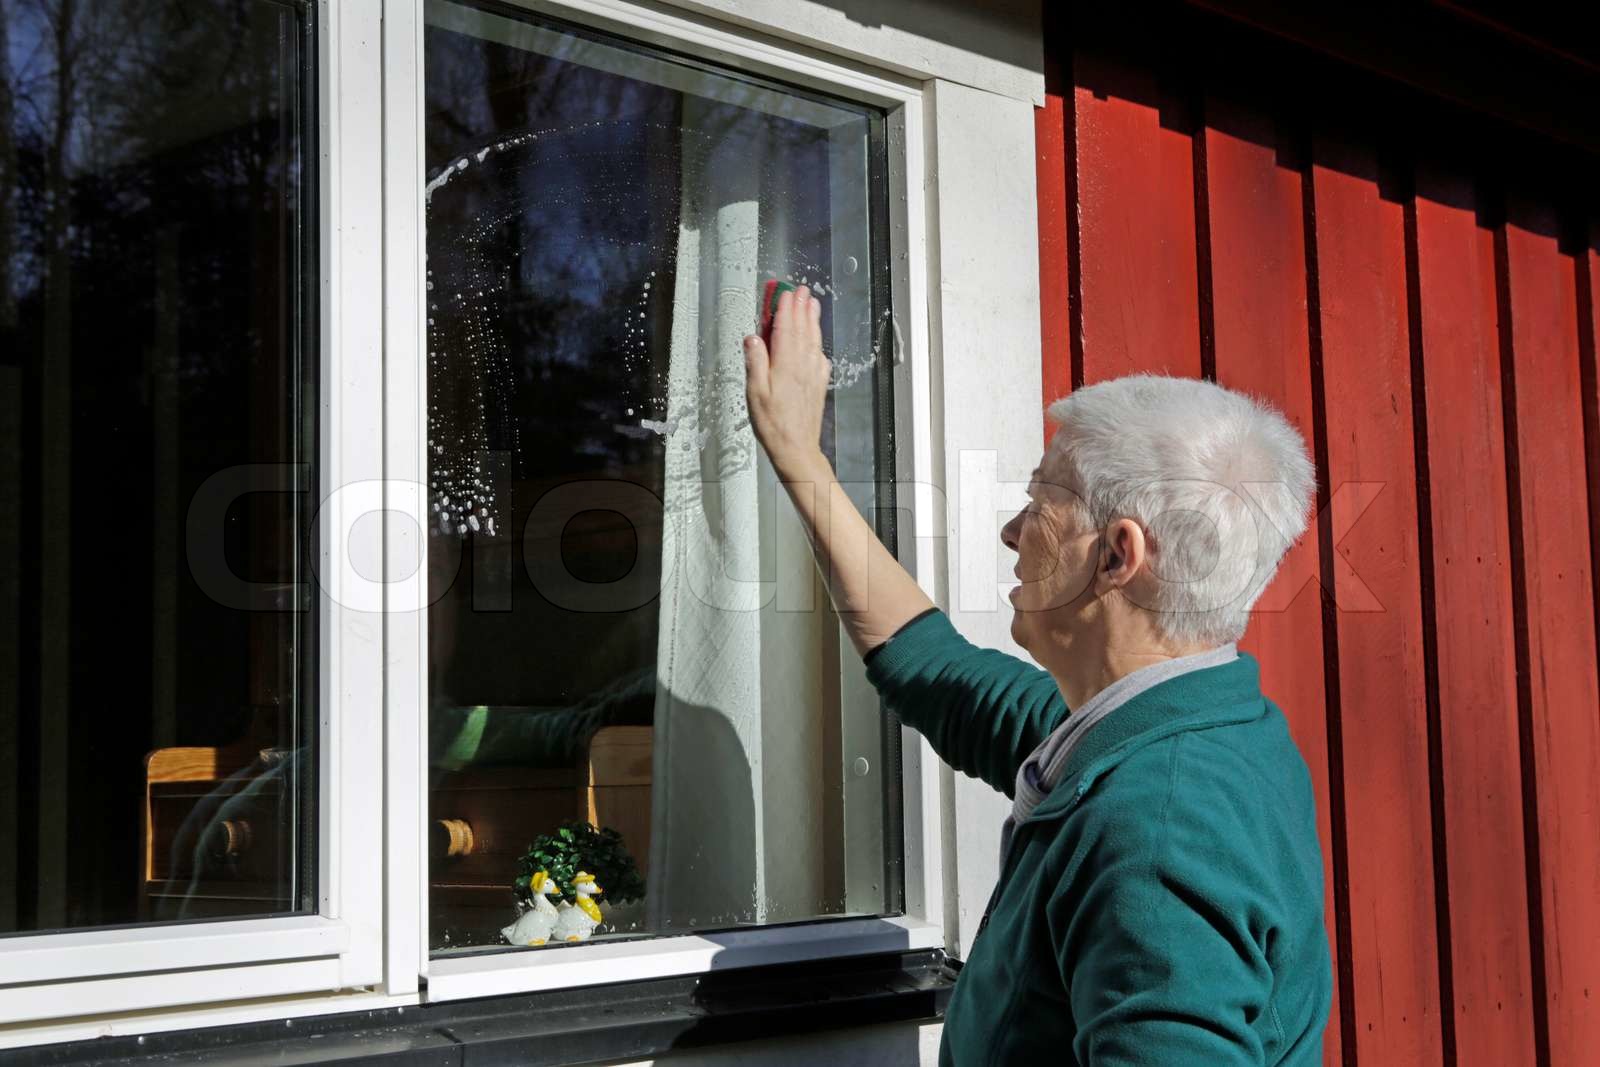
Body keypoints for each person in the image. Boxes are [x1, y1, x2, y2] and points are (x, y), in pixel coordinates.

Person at [741, 286, 1332, 1065]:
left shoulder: (1157, 832)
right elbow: (936, 673)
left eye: (1041, 502)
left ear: (1116, 555)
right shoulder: (1187, 728)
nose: (1011, 530)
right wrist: (800, 457)